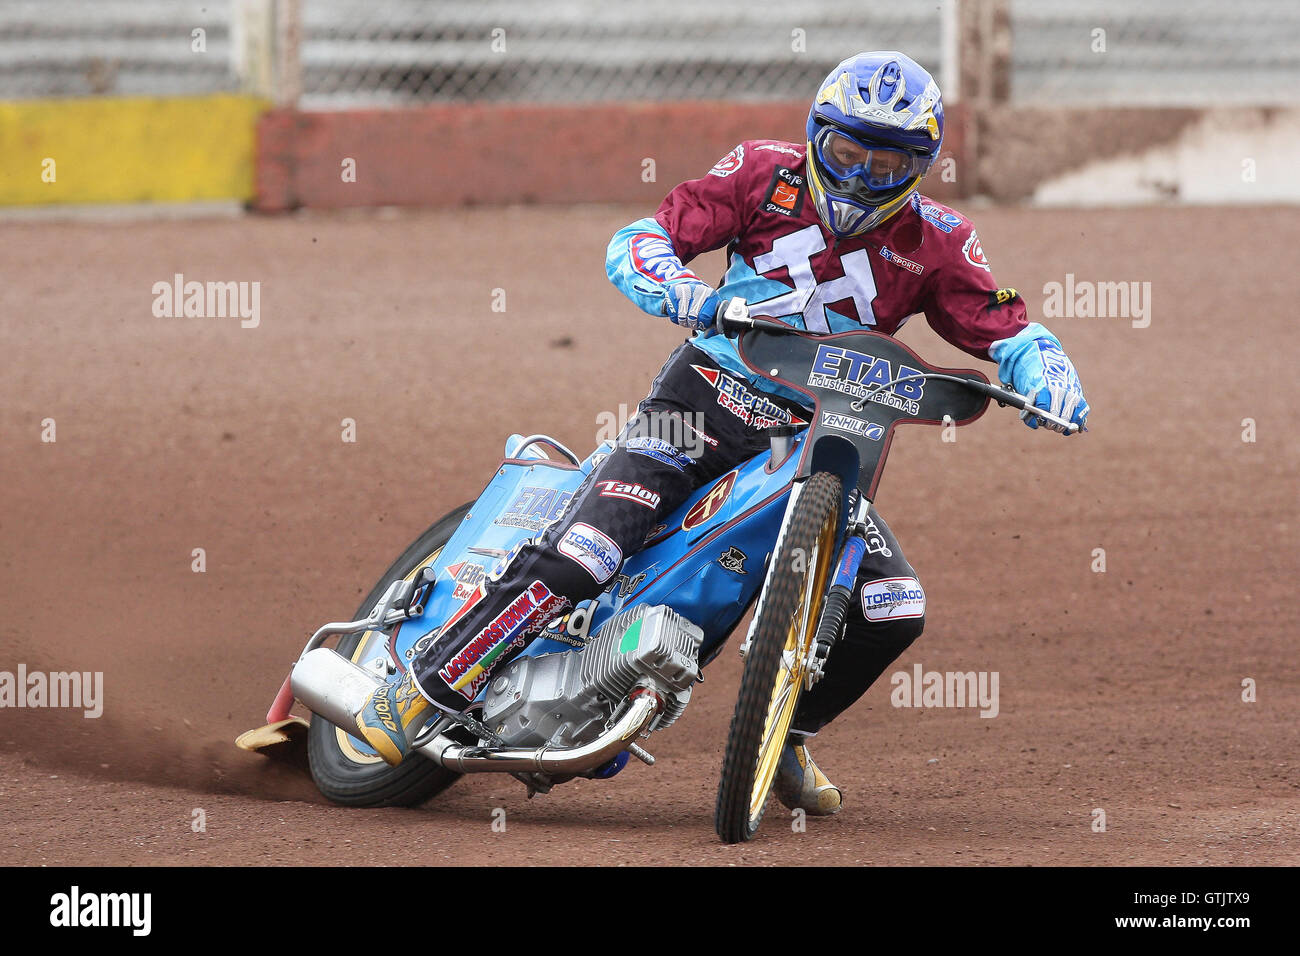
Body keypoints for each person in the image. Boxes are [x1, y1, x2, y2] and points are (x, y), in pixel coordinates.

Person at [353, 51, 1089, 817]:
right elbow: (646, 236)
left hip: (822, 439)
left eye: (889, 161)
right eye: (846, 153)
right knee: (593, 547)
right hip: (704, 398)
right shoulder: (761, 172)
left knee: (893, 606)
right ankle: (426, 686)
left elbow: (1006, 329)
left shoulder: (940, 238)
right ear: (816, 136)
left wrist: (1046, 376)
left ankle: (785, 733)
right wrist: (678, 291)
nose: (864, 177)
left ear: (923, 164)